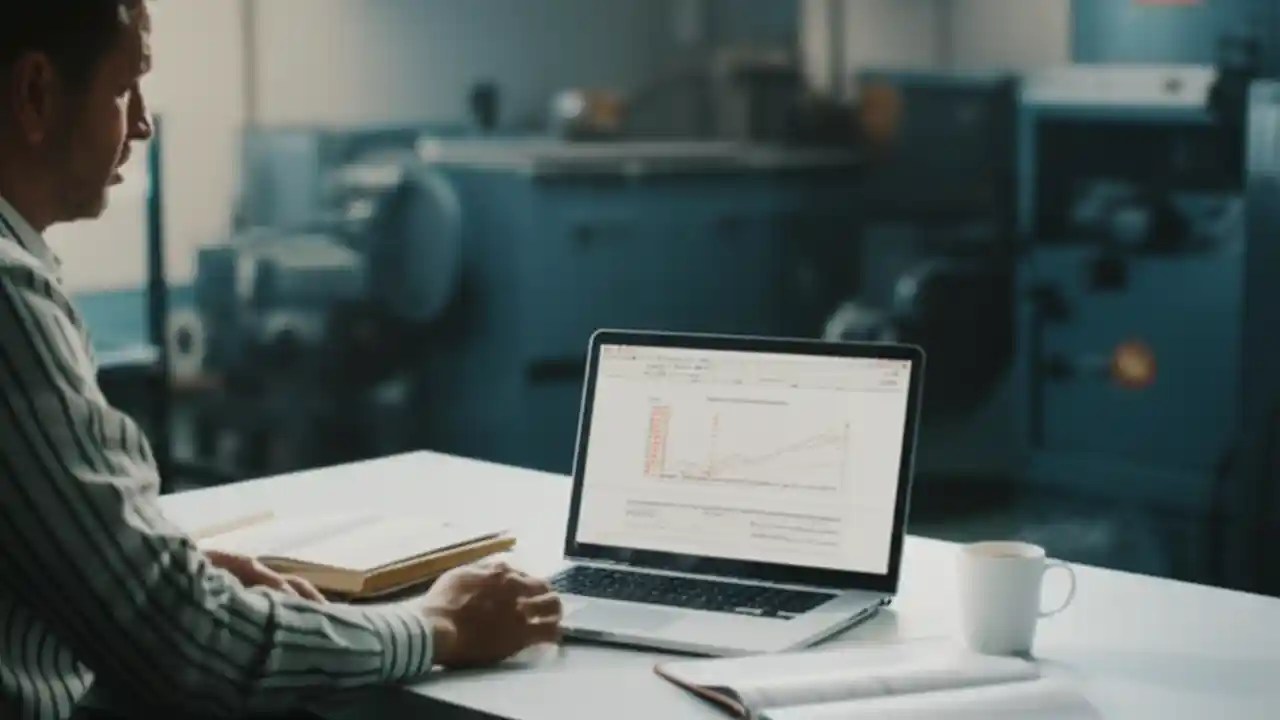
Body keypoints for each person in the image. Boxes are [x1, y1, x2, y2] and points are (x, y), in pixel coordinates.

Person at [0, 2, 562, 719]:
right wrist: (438, 627)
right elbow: (187, 646)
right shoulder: (8, 299)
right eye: (123, 89)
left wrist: (167, 568)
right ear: (37, 94)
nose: (140, 123)